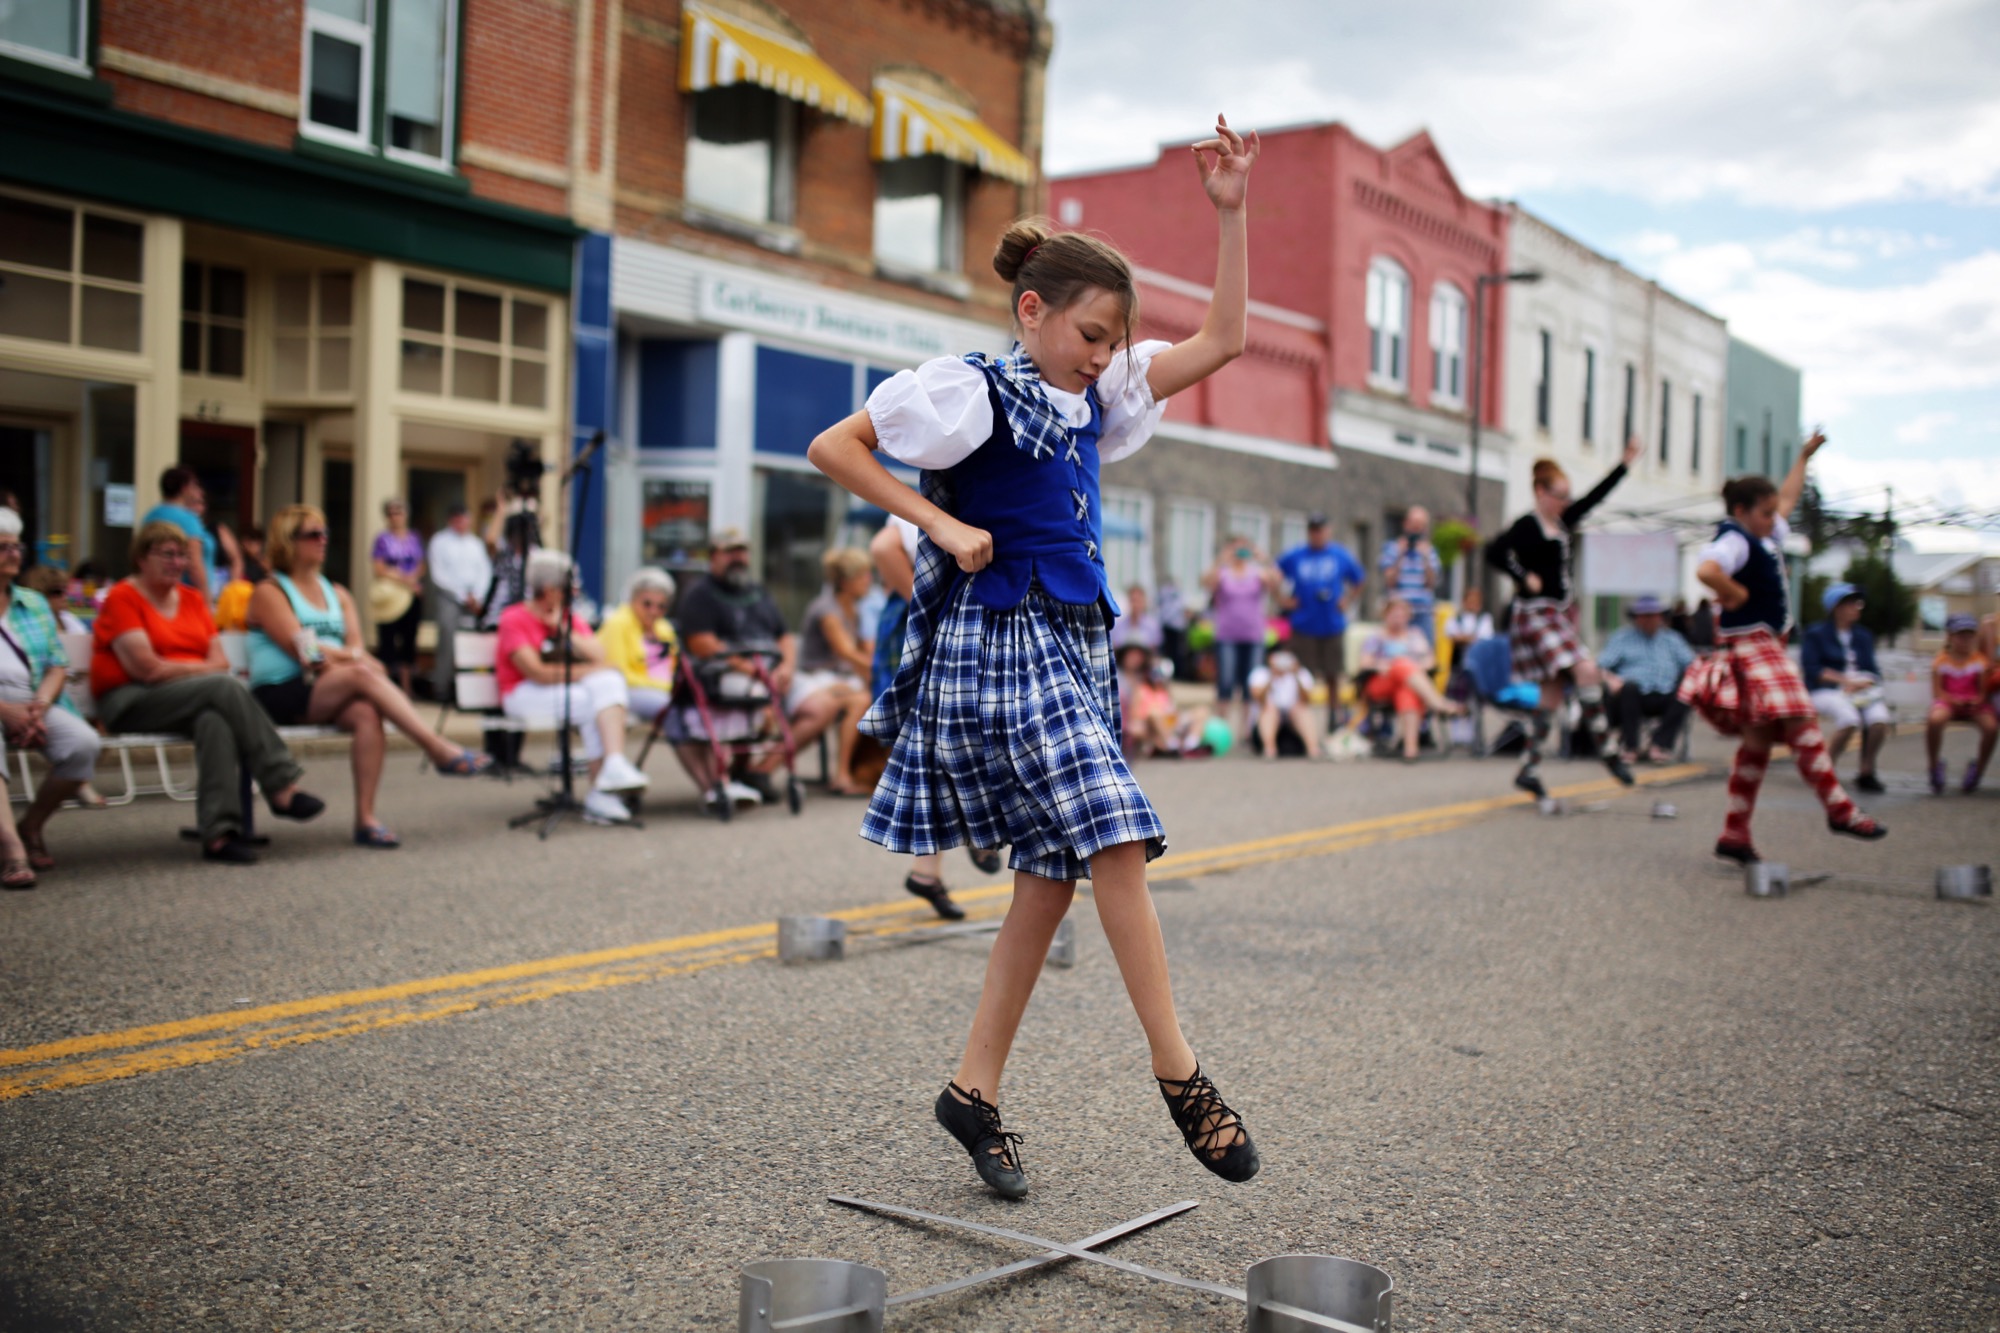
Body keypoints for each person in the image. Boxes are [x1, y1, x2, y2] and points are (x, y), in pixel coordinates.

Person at [806, 115, 1263, 1200]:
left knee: (1048, 884)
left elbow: (1226, 342)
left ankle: (971, 1092)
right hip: (993, 644)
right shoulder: (969, 391)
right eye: (1091, 334)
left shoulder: (1095, 403)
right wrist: (940, 524)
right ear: (1033, 312)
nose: (1105, 355)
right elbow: (834, 447)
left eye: (1115, 339)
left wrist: (1229, 219)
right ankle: (1180, 1076)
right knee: (1111, 828)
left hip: (1070, 649)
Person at [1681, 433, 1885, 861]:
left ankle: (1734, 834)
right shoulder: (1735, 539)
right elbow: (1706, 569)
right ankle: (1839, 810)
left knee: (1757, 744)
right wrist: (1733, 594)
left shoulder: (1764, 535)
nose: (1776, 518)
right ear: (1742, 511)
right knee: (1801, 720)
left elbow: (1788, 497)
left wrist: (1802, 459)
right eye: (1766, 512)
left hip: (1764, 644)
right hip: (1753, 645)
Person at [247, 505, 492, 848]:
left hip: (329, 684)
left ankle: (366, 819)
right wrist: (349, 659)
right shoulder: (270, 591)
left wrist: (344, 659)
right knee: (362, 673)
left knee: (366, 712)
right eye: (312, 534)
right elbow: (308, 655)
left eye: (325, 533)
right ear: (288, 542)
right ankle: (436, 748)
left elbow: (353, 650)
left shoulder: (339, 593)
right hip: (281, 691)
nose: (323, 540)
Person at [91, 521, 324, 864]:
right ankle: (280, 783)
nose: (176, 562)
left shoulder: (191, 599)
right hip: (130, 700)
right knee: (223, 688)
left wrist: (183, 668)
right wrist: (198, 669)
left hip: (188, 697)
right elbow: (147, 670)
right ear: (141, 558)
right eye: (167, 554)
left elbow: (220, 660)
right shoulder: (122, 598)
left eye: (182, 555)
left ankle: (218, 835)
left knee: (214, 719)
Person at [1484, 439, 1644, 797]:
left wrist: (1623, 465)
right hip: (1535, 614)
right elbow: (1493, 551)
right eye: (1559, 495)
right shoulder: (1527, 526)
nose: (1565, 502)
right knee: (1586, 670)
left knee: (1551, 695)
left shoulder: (1563, 521)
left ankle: (1528, 768)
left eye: (1567, 496)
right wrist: (1522, 576)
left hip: (1556, 615)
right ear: (1541, 492)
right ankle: (1609, 752)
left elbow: (1593, 499)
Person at [870, 515, 1000, 920]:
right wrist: (922, 601)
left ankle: (932, 868)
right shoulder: (942, 494)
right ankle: (979, 838)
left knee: (940, 743)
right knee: (957, 738)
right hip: (934, 624)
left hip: (944, 622)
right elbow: (881, 548)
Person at [671, 531, 841, 804]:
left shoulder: (758, 591)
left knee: (824, 705)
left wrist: (786, 666)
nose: (738, 558)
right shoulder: (699, 595)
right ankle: (735, 773)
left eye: (742, 551)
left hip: (772, 670)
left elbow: (784, 635)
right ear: (714, 556)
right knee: (757, 702)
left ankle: (758, 772)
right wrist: (754, 671)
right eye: (730, 552)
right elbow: (703, 645)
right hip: (729, 673)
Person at [496, 549, 649, 825]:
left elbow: (599, 655)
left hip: (563, 689)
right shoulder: (513, 619)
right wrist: (593, 670)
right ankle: (603, 790)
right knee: (590, 697)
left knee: (607, 684)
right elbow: (537, 673)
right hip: (521, 693)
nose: (574, 593)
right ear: (550, 589)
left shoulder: (568, 617)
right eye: (569, 587)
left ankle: (612, 766)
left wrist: (565, 630)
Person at [0, 509, 102, 874]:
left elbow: (57, 664)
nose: (13, 553)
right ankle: (11, 847)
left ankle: (31, 825)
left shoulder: (34, 603)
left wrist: (39, 706)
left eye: (17, 546)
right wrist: (5, 711)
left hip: (32, 699)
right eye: (3, 547)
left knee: (83, 744)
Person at [793, 547, 878, 797]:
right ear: (845, 581)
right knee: (861, 700)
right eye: (863, 575)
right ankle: (842, 774)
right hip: (815, 678)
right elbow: (847, 652)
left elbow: (865, 648)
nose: (869, 580)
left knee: (874, 694)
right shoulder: (827, 609)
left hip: (839, 678)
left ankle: (869, 770)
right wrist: (873, 670)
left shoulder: (855, 609)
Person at [1277, 514, 1363, 729]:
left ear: (1328, 531)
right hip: (1304, 625)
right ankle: (1299, 723)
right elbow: (1273, 573)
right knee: (1302, 677)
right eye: (1313, 530)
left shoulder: (1339, 555)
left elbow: (1359, 579)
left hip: (1332, 624)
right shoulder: (1296, 555)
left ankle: (1334, 721)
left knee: (1333, 675)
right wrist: (1282, 599)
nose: (1317, 534)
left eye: (1321, 529)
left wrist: (1348, 600)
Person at [1801, 582, 1888, 792]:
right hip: (1827, 689)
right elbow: (1812, 669)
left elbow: (1873, 670)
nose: (1856, 608)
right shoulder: (1816, 633)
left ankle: (1867, 770)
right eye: (1851, 604)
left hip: (1860, 690)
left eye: (1857, 603)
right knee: (1849, 719)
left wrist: (1866, 681)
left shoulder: (1864, 636)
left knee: (1879, 720)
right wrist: (1846, 682)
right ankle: (1825, 770)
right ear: (1835, 607)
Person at [1357, 596, 1463, 761]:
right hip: (1381, 683)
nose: (1397, 618)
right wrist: (1385, 664)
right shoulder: (1376, 637)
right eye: (1394, 614)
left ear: (1408, 616)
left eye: (1401, 614)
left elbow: (1430, 661)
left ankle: (1410, 749)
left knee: (1407, 690)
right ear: (1386, 615)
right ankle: (1438, 703)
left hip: (1409, 683)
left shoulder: (1415, 635)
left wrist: (1412, 668)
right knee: (1400, 663)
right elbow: (1365, 663)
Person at [1597, 594, 1695, 766]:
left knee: (1686, 692)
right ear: (1635, 617)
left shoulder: (1672, 639)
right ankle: (1631, 747)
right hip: (1633, 695)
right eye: (1644, 615)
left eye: (1652, 615)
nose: (1648, 619)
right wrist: (1611, 679)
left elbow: (1692, 665)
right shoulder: (1622, 638)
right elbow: (1601, 666)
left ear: (1661, 617)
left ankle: (1660, 745)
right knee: (1629, 689)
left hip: (1665, 693)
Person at [1203, 535, 1281, 737]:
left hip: (1253, 637)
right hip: (1227, 636)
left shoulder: (1258, 573)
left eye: (1243, 549)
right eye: (1236, 549)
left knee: (1251, 685)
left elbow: (1278, 583)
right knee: (1226, 682)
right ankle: (1221, 731)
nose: (1240, 554)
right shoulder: (1223, 573)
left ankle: (1247, 732)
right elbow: (1205, 582)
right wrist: (1221, 559)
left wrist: (1264, 559)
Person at [595, 567, 679, 727]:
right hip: (626, 691)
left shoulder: (664, 628)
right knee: (673, 709)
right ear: (633, 599)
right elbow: (619, 673)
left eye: (661, 606)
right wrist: (667, 687)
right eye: (647, 604)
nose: (654, 611)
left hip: (663, 692)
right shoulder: (618, 623)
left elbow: (675, 667)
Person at [426, 502, 492, 703]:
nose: (461, 522)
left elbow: (485, 572)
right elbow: (439, 575)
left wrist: (477, 596)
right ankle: (443, 687)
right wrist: (463, 596)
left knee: (475, 642)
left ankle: (470, 689)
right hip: (451, 598)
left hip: (475, 600)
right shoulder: (439, 541)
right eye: (457, 518)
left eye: (464, 517)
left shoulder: (476, 543)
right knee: (448, 640)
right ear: (450, 520)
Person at [1927, 612, 1995, 794]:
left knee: (1991, 727)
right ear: (1950, 636)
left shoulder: (1979, 661)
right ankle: (1934, 766)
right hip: (1948, 702)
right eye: (1961, 636)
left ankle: (1978, 769)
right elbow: (1938, 692)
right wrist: (1953, 700)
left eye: (1969, 635)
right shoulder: (1941, 661)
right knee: (1935, 720)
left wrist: (1976, 700)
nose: (1965, 640)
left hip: (1973, 704)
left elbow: (1983, 691)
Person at [369, 498, 426, 696]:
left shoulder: (413, 537)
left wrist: (413, 579)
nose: (396, 516)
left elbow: (420, 564)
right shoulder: (382, 539)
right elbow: (379, 568)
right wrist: (404, 579)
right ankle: (386, 689)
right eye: (391, 513)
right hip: (391, 598)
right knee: (388, 642)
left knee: (409, 642)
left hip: (410, 597)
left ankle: (406, 688)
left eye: (399, 512)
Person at [1120, 644, 1211, 757]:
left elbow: (1172, 710)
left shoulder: (1164, 691)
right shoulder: (1141, 690)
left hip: (1168, 723)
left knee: (1201, 711)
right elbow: (1135, 716)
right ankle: (1171, 745)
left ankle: (1190, 745)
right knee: (1155, 713)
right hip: (1151, 725)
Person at [139, 466, 216, 599]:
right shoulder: (188, 519)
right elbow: (194, 563)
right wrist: (206, 601)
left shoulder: (150, 516)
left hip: (153, 593)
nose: (197, 491)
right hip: (186, 595)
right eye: (194, 486)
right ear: (185, 488)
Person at [1378, 506, 1441, 644]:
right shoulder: (1392, 548)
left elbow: (1431, 584)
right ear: (1406, 524)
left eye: (1421, 526)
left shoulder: (1430, 551)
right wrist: (1400, 554)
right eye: (1414, 524)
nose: (1416, 529)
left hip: (1422, 613)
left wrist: (1425, 557)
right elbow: (1389, 581)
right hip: (1397, 614)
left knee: (1423, 654)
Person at [1247, 648, 1321, 760]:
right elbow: (1258, 699)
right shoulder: (1260, 673)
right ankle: (1269, 749)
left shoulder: (1301, 673)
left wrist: (1296, 675)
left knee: (1300, 709)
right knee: (1269, 709)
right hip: (1264, 727)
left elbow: (1307, 700)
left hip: (1292, 728)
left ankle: (1313, 749)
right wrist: (1272, 677)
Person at [1110, 583, 1163, 653]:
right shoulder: (1118, 625)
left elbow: (1155, 650)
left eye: (1138, 600)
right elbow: (1115, 648)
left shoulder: (1153, 626)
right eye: (1133, 600)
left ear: (1144, 602)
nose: (1135, 604)